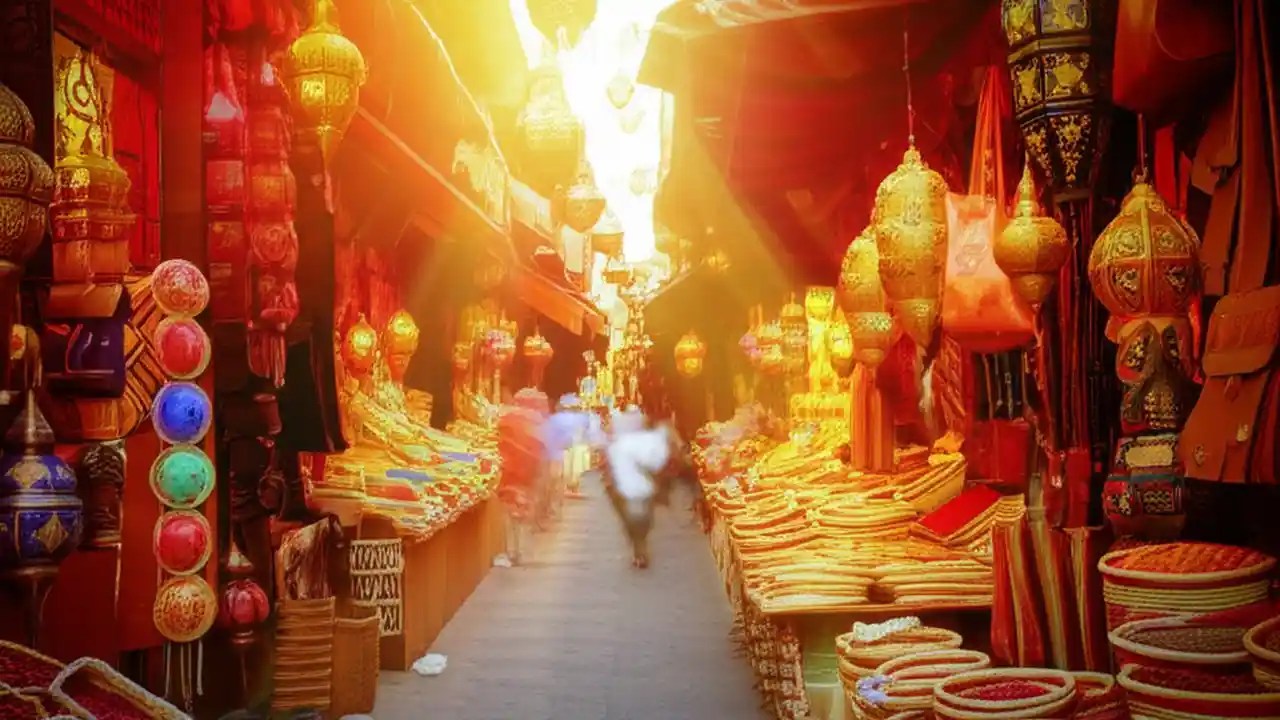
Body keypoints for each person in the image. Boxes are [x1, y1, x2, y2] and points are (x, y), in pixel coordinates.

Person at [600, 413, 679, 569]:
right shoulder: (620, 442)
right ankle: (639, 549)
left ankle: (639, 549)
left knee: (638, 522)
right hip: (627, 488)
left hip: (633, 488)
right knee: (635, 521)